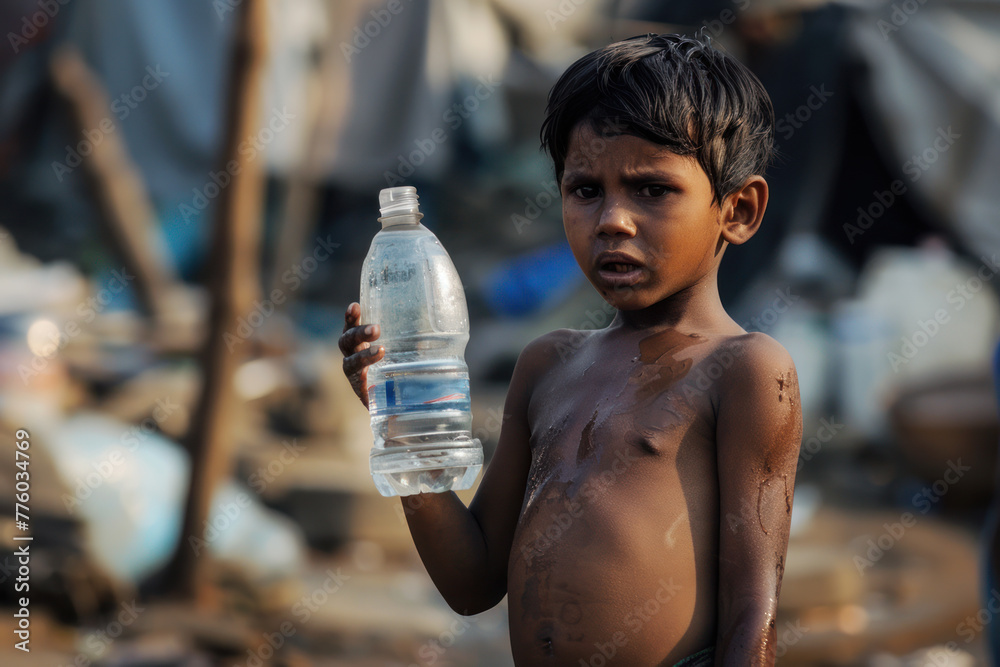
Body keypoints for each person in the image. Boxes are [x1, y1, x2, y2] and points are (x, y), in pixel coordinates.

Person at [340, 33, 802, 666]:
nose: (612, 220)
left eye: (652, 190)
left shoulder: (744, 369)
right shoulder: (547, 364)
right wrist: (400, 427)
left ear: (738, 210)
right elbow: (471, 583)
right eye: (585, 190)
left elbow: (753, 612)